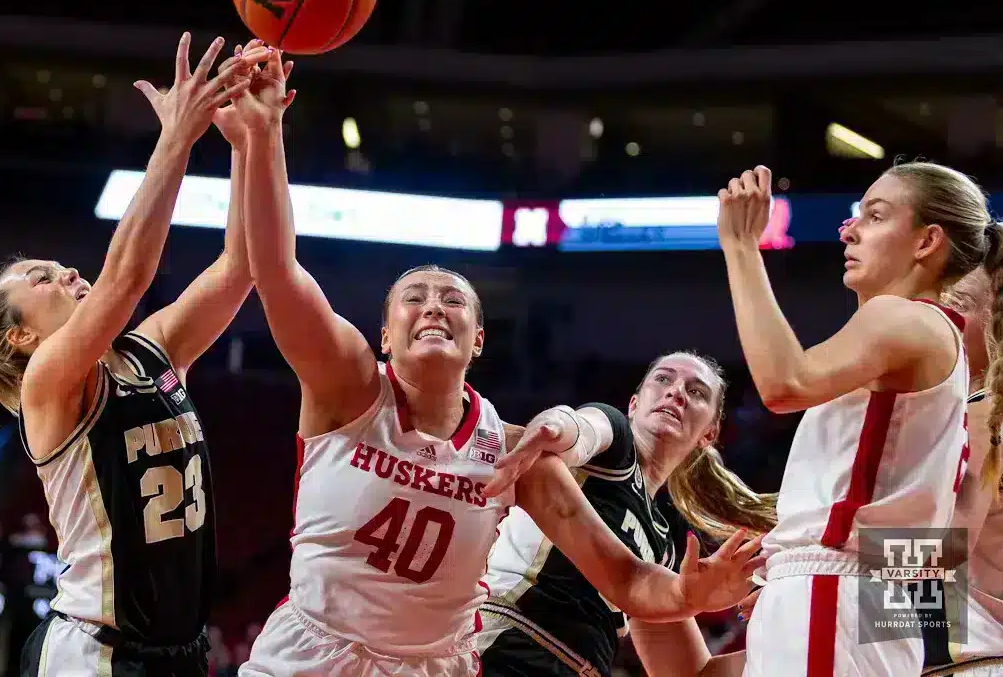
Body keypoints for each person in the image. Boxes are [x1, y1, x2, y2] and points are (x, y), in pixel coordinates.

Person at [226, 50, 764, 677]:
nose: (434, 306)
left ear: (478, 339)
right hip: (314, 654)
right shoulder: (347, 386)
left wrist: (692, 595)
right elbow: (276, 271)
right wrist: (265, 133)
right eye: (414, 298)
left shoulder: (512, 455)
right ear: (385, 336)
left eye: (453, 300)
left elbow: (624, 579)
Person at [0, 33, 270, 677]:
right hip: (96, 652)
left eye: (58, 265)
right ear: (21, 337)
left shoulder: (152, 352)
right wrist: (177, 136)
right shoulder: (48, 385)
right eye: (43, 278)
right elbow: (126, 277)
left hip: (179, 651)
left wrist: (252, 142)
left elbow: (241, 265)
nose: (68, 271)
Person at [718, 163, 988, 677]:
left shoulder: (904, 319)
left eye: (875, 216)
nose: (849, 229)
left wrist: (741, 246)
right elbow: (936, 550)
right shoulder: (936, 347)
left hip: (839, 590)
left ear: (927, 241)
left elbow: (783, 385)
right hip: (872, 593)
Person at [477, 351, 778, 677]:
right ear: (633, 404)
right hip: (510, 642)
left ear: (709, 434)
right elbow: (579, 428)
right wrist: (555, 426)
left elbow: (694, 673)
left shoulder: (663, 546)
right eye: (663, 378)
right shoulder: (613, 442)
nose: (676, 391)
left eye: (696, 391)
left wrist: (795, 634)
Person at [920, 266, 1003, 675]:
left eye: (955, 303)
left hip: (979, 660)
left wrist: (816, 576)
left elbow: (940, 555)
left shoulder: (984, 414)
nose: (937, 315)